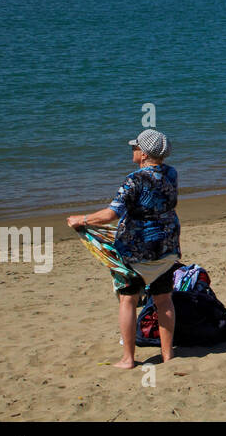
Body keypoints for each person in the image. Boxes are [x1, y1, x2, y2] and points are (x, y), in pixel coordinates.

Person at [67, 129, 182, 368]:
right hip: (167, 247)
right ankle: (168, 355)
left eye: (135, 147)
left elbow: (111, 214)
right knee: (163, 299)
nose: (132, 150)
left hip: (136, 253)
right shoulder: (171, 174)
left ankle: (128, 358)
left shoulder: (135, 179)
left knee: (127, 300)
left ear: (143, 154)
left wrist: (82, 220)